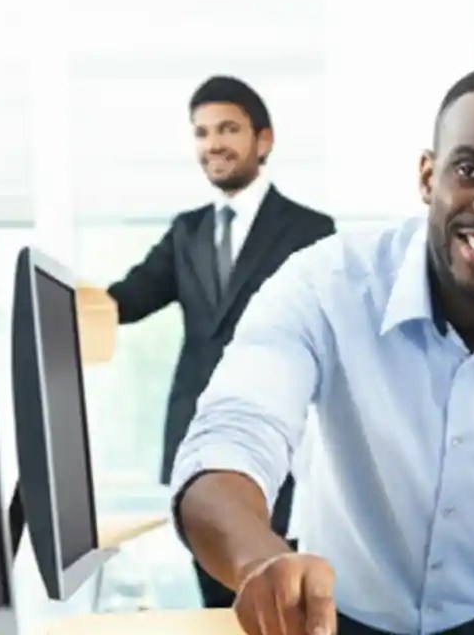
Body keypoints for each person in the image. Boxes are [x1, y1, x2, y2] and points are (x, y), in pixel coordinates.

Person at [171, 63, 474, 635]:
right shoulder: (323, 284)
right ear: (429, 176)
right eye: (469, 169)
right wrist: (260, 561)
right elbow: (229, 438)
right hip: (332, 620)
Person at [93, 75, 336, 607]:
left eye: (227, 129)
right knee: (217, 601)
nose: (213, 145)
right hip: (200, 446)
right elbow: (127, 300)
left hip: (285, 444)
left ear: (263, 140)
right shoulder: (188, 232)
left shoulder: (310, 231)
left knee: (281, 596)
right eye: (201, 133)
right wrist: (57, 304)